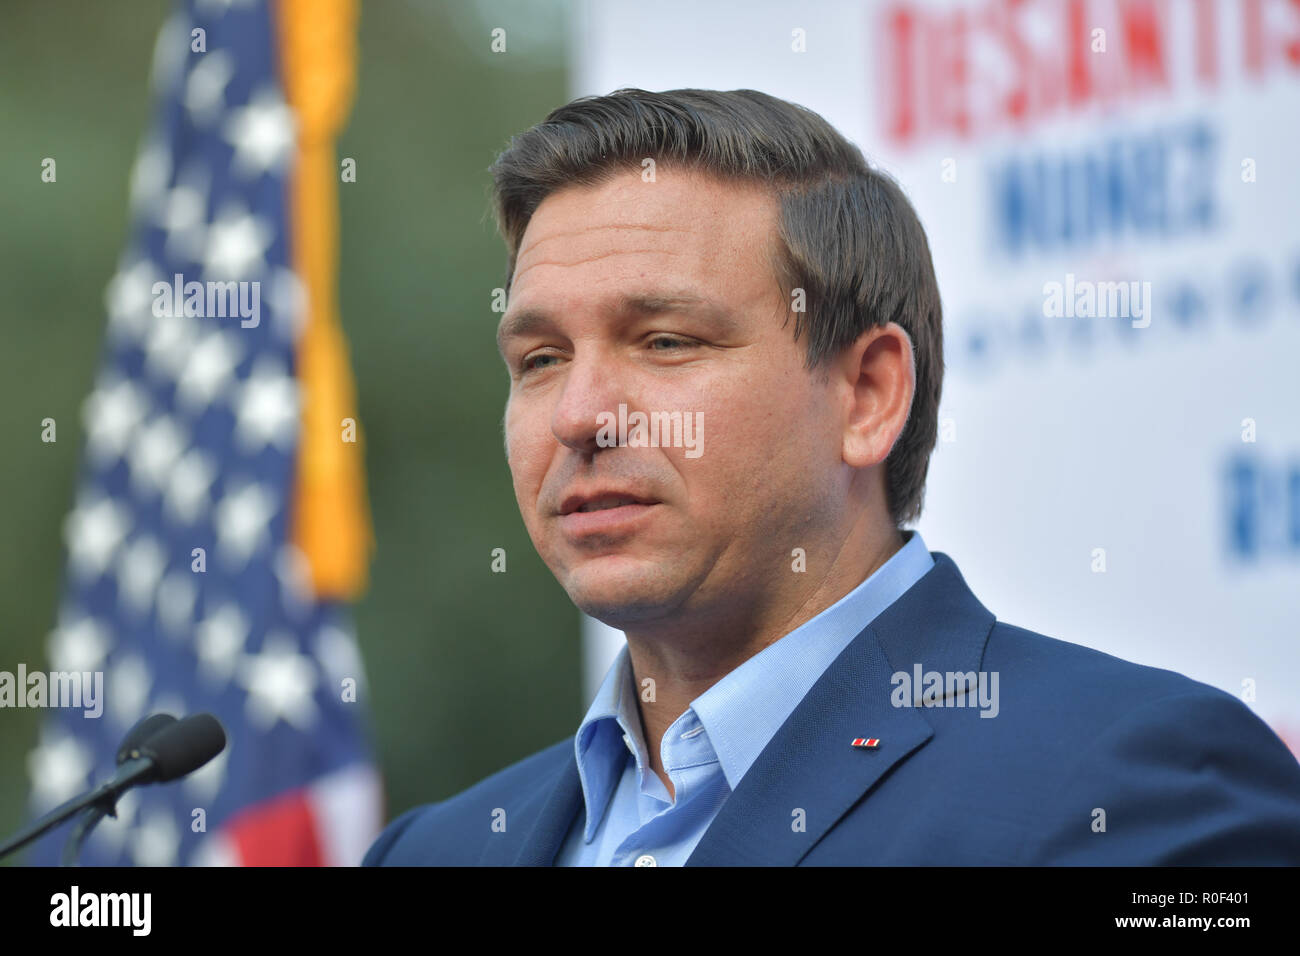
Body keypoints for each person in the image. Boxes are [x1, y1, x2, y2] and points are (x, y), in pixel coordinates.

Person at [364, 88, 1300, 866]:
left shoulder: (1140, 791)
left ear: (867, 394)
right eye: (539, 359)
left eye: (665, 341)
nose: (579, 416)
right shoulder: (428, 853)